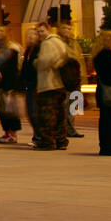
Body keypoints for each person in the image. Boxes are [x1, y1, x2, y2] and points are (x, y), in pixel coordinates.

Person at [33, 22, 70, 150]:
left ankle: (47, 142)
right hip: (60, 84)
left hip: (48, 84)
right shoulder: (60, 42)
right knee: (60, 115)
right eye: (38, 32)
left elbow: (45, 62)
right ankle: (61, 141)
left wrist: (36, 62)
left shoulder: (48, 43)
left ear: (48, 30)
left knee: (46, 115)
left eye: (41, 31)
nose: (39, 34)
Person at [0, 29, 23, 144]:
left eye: (0, 31)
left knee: (10, 111)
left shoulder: (11, 50)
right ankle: (7, 132)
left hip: (9, 84)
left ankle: (12, 134)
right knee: (2, 111)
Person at [57, 23, 85, 138]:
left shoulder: (74, 43)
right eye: (64, 28)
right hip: (66, 79)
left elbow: (80, 60)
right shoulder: (59, 43)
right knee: (66, 105)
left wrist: (83, 78)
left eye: (69, 28)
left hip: (76, 78)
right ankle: (68, 129)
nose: (67, 30)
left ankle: (71, 127)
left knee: (75, 106)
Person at [20, 28, 41, 144]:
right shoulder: (28, 50)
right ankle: (36, 135)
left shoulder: (39, 49)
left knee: (34, 111)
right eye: (29, 35)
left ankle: (38, 136)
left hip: (36, 84)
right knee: (30, 111)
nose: (31, 37)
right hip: (29, 84)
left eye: (33, 35)